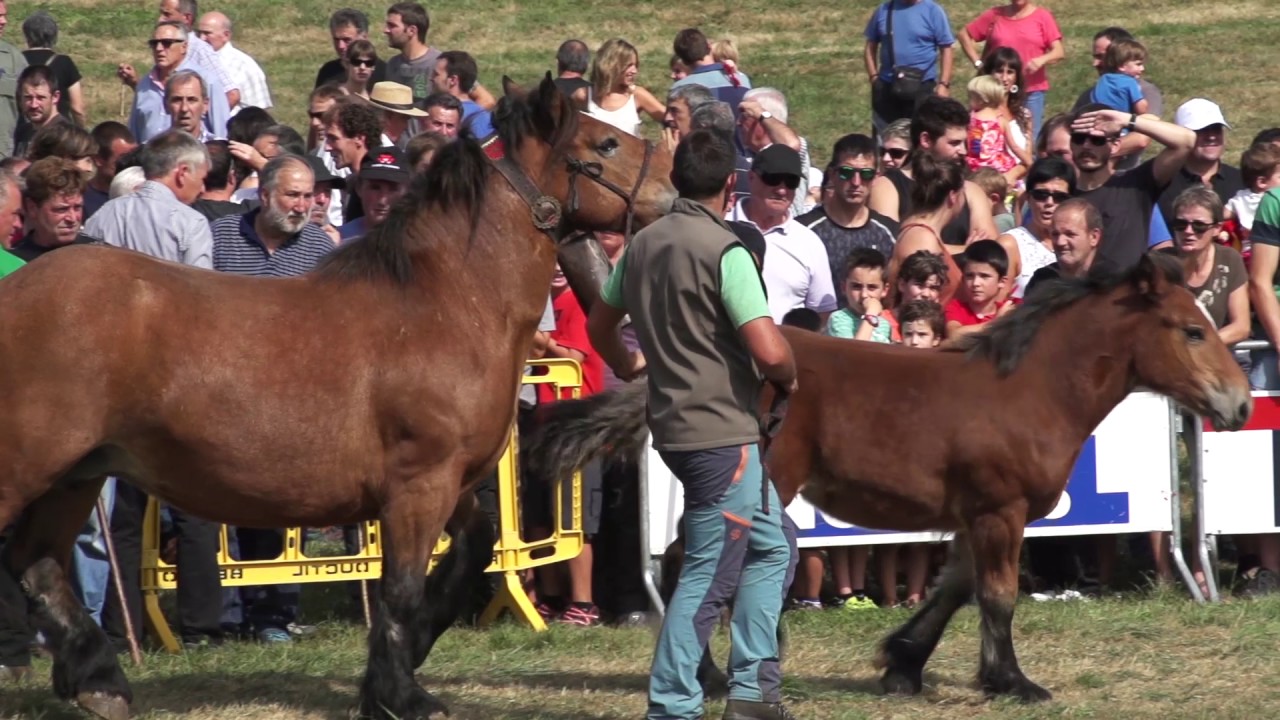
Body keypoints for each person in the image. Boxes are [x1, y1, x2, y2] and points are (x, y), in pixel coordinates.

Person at [586, 127, 796, 720]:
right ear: (732, 185)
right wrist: (791, 373)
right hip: (722, 436)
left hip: (676, 429)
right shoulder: (724, 249)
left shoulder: (644, 245)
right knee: (708, 576)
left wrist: (630, 363)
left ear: (678, 180)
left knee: (774, 545)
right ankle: (672, 705)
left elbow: (602, 325)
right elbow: (770, 349)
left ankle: (755, 691)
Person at [1070, 105, 1195, 272]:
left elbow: (1186, 141)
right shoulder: (1056, 194)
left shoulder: (1136, 184)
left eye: (1097, 140)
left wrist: (1127, 120)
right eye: (1079, 138)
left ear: (1115, 146)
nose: (1086, 146)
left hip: (1128, 294)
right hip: (1079, 294)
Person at [868, 95, 999, 248]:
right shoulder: (887, 187)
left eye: (964, 142)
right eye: (954, 143)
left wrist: (930, 247)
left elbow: (989, 255)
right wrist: (966, 250)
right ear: (926, 140)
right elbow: (895, 249)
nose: (963, 151)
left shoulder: (971, 191)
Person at [727, 143, 837, 323]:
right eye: (773, 179)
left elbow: (822, 315)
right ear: (752, 178)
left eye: (791, 182)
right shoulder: (722, 225)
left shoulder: (810, 243)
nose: (781, 190)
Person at [797, 133, 897, 301]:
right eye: (846, 172)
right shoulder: (803, 231)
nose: (856, 182)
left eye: (866, 174)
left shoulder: (890, 233)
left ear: (875, 178)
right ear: (832, 174)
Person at [958, 0, 1065, 141]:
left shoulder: (1042, 17)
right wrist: (978, 63)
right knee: (990, 135)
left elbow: (1059, 52)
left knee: (1028, 140)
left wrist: (1041, 60)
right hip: (996, 91)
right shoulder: (995, 15)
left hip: (1030, 91)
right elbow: (964, 34)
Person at [863, 0, 956, 135]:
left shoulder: (933, 11)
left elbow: (946, 48)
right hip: (887, 87)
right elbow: (870, 47)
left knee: (921, 137)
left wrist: (944, 84)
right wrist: (874, 77)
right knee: (885, 138)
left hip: (922, 87)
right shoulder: (884, 10)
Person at [887, 154, 966, 305]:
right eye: (963, 193)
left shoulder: (922, 233)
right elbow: (916, 304)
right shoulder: (922, 238)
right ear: (953, 196)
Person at [1000, 156, 1072, 297]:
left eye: (1059, 197)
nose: (1049, 202)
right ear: (1028, 197)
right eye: (1041, 195)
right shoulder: (1010, 245)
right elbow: (994, 307)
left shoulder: (1079, 243)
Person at [576, 38, 664, 137]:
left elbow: (671, 118)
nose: (634, 71)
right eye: (629, 65)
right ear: (612, 65)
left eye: (635, 65)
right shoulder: (584, 95)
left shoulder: (637, 95)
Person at [8, 156, 84, 261]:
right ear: (32, 208)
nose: (72, 218)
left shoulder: (98, 253)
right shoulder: (14, 262)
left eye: (77, 208)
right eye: (61, 209)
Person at [20, 10, 84, 126]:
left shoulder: (16, 60)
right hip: (59, 132)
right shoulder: (64, 62)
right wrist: (81, 133)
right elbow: (77, 108)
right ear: (53, 35)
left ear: (27, 35)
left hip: (24, 131)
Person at [1025, 197, 1102, 294]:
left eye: (1070, 234)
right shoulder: (1041, 280)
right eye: (1055, 234)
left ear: (1093, 237)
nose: (1060, 242)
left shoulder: (1111, 284)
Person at [944, 239, 1014, 338]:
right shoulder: (956, 308)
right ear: (963, 279)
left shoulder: (1008, 311)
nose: (975, 283)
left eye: (984, 276)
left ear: (1001, 282)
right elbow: (954, 335)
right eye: (970, 276)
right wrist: (995, 323)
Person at [965, 74, 1028, 182]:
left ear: (982, 100)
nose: (969, 101)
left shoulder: (970, 118)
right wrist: (1029, 161)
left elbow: (967, 144)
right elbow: (1014, 147)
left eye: (971, 97)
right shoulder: (1001, 121)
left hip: (975, 166)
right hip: (998, 167)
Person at [1224, 142, 1280, 258]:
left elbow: (1221, 214)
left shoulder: (1240, 198)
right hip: (1268, 251)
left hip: (1248, 254)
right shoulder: (1275, 200)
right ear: (1262, 182)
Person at [1087, 38, 1148, 117]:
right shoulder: (1130, 82)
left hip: (1097, 121)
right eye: (1138, 64)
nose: (1142, 68)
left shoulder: (1103, 79)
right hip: (1119, 125)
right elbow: (1141, 110)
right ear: (1122, 66)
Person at [0, 0, 28, 159]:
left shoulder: (14, 59)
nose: (4, 21)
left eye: (4, 16)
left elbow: (29, 112)